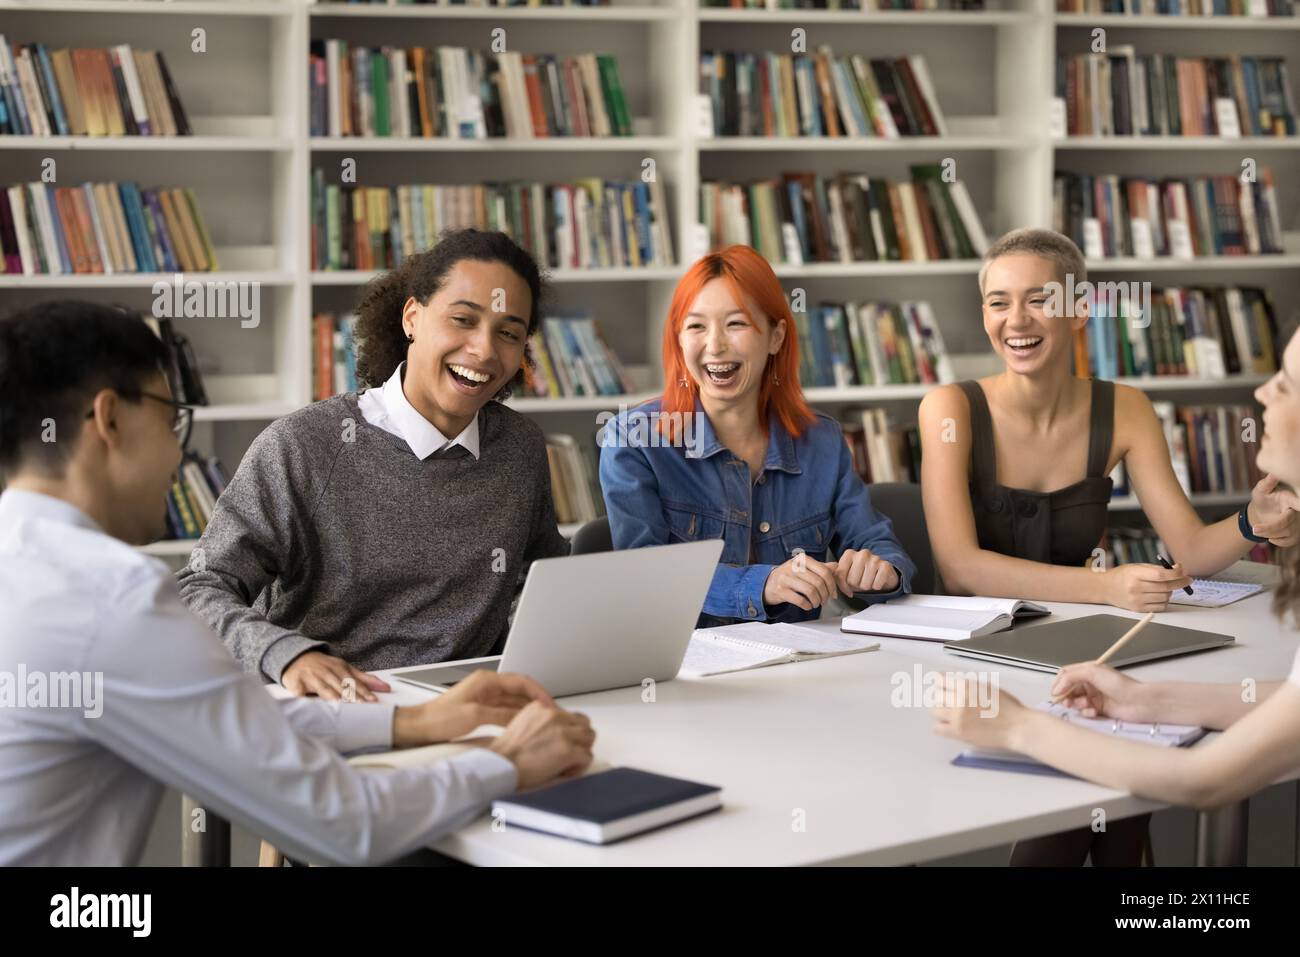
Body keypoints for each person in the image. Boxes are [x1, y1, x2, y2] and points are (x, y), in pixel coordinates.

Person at [0, 300, 594, 865]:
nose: (179, 459)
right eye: (170, 419)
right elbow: (344, 824)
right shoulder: (113, 599)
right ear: (109, 419)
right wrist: (507, 761)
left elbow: (224, 712)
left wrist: (412, 721)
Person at [920, 227, 1299, 865]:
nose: (1016, 320)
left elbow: (1187, 550)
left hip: (1090, 645)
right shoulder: (949, 407)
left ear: (1079, 309)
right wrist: (1106, 585)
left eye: (1039, 299)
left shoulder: (1124, 408)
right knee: (1097, 771)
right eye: (997, 301)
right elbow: (961, 570)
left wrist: (1250, 525)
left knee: (1113, 780)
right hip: (981, 652)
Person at [177, 229, 570, 699]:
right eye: (463, 319)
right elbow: (199, 587)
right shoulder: (303, 447)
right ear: (412, 318)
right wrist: (286, 654)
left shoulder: (519, 447)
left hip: (473, 704)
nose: (484, 350)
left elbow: (545, 577)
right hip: (341, 710)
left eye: (508, 333)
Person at [599, 245, 914, 628]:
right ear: (680, 340)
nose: (715, 345)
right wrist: (762, 585)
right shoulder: (635, 440)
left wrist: (879, 571)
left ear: (776, 336)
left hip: (797, 668)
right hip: (681, 670)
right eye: (696, 326)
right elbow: (644, 578)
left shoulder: (823, 441)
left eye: (736, 323)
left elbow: (880, 547)